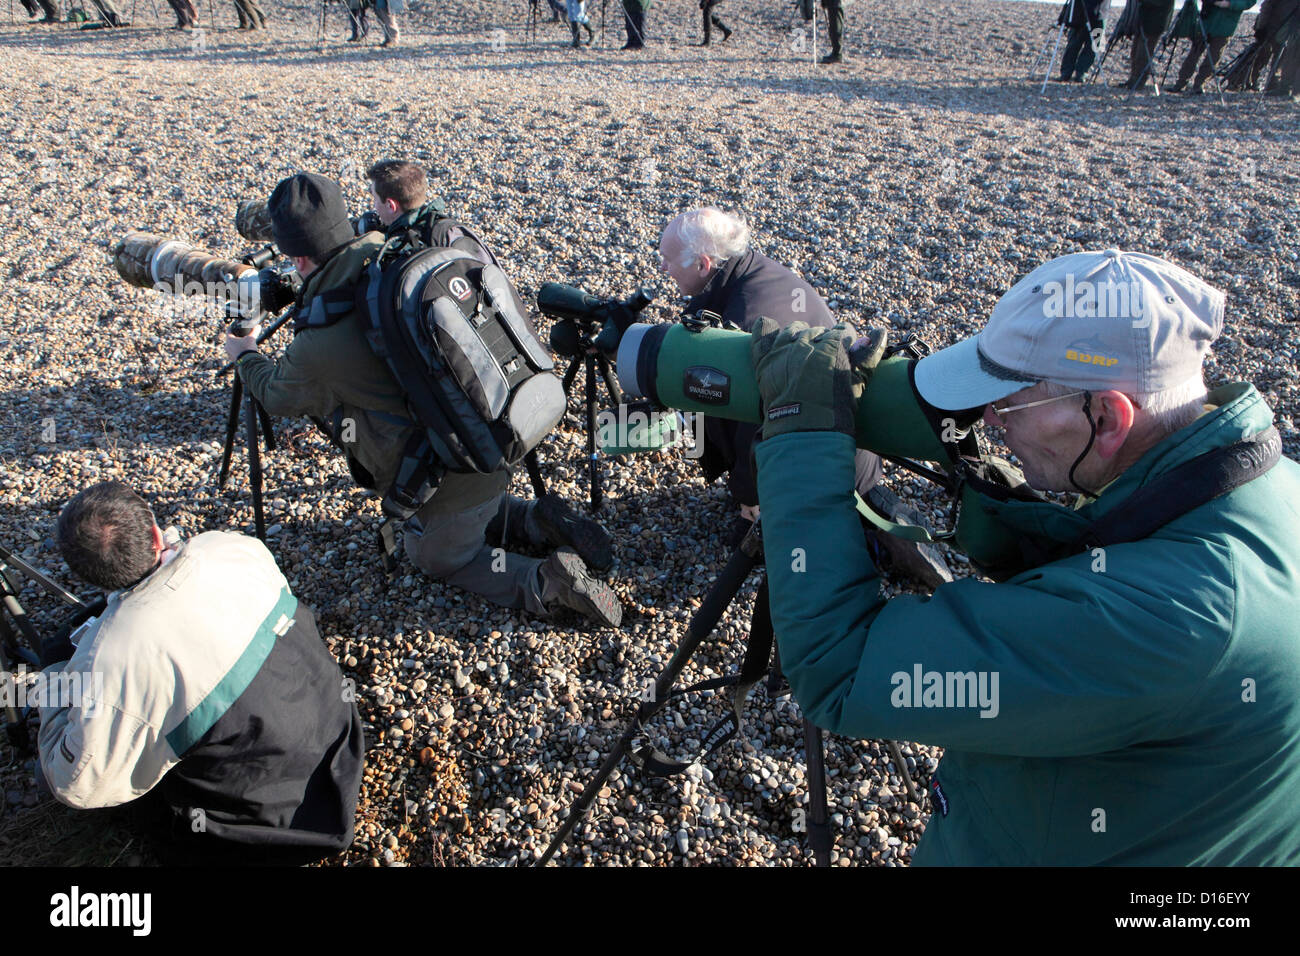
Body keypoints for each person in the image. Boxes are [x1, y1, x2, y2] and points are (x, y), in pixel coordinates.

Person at [744, 249, 1300, 864]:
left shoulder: (1178, 616)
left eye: (1009, 403)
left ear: (1109, 416)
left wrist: (800, 434)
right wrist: (1032, 530)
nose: (989, 418)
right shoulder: (1271, 486)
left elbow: (841, 671)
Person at [224, 173, 622, 628]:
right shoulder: (396, 249)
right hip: (498, 427)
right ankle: (539, 522)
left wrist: (247, 354)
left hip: (449, 475)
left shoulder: (319, 346)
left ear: (297, 257)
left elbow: (276, 394)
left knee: (434, 556)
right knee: (469, 511)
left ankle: (547, 581)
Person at [37, 482, 364, 864]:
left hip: (261, 825)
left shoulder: (112, 659)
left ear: (85, 574)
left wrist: (57, 688)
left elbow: (75, 785)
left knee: (60, 653)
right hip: (336, 746)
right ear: (157, 534)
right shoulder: (230, 547)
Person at [657, 208, 948, 587]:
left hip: (819, 456)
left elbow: (754, 423)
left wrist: (750, 501)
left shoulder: (745, 323)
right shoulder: (753, 272)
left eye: (666, 260)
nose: (662, 268)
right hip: (854, 442)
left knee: (756, 541)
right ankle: (879, 514)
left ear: (703, 263)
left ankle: (860, 532)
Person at [1170, 0, 1253, 94]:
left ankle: (1199, 84)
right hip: (1207, 20)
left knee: (1213, 57)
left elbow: (1249, 2)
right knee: (1193, 54)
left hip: (1225, 25)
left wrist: (1229, 4)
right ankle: (1180, 82)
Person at [1122, 0, 1175, 89]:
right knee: (1135, 51)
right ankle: (1133, 78)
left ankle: (1139, 81)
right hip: (1144, 20)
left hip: (1154, 23)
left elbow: (1159, 3)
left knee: (1143, 53)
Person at [1057, 0, 1106, 82]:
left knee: (1094, 45)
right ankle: (1066, 72)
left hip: (1100, 12)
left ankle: (1081, 72)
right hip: (1079, 10)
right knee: (1074, 42)